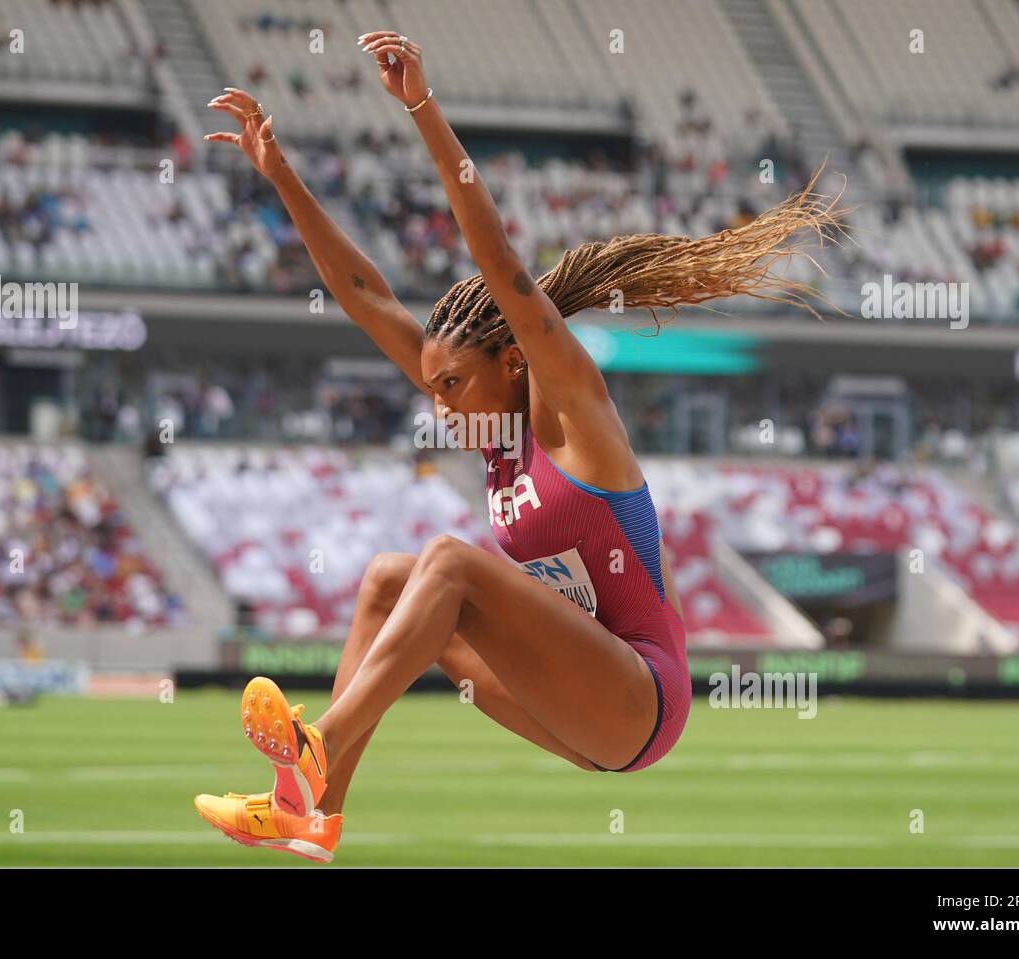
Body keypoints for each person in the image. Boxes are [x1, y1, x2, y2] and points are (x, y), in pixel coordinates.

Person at [193, 32, 845, 863]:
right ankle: (313, 816)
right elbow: (364, 297)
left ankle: (316, 747)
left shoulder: (570, 406)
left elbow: (496, 260)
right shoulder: (489, 421)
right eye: (432, 389)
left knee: (450, 560)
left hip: (641, 699)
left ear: (511, 361)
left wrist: (422, 110)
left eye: (451, 386)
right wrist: (281, 176)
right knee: (390, 581)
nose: (438, 405)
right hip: (571, 704)